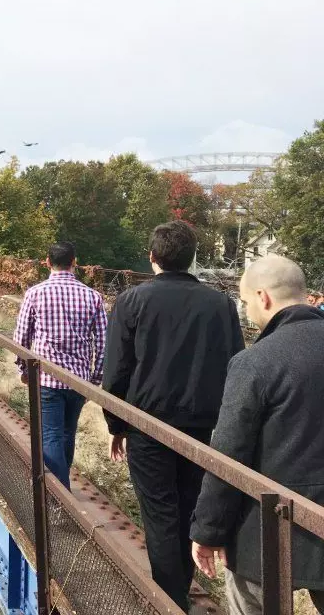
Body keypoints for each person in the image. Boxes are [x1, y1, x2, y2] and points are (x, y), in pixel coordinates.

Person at [102, 220, 244, 612]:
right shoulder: (221, 305)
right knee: (188, 505)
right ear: (192, 258)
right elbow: (235, 366)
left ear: (152, 257)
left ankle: (170, 598)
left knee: (160, 511)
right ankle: (179, 585)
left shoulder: (132, 302)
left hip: (148, 425)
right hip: (201, 425)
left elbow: (116, 370)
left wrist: (117, 424)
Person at [191, 255, 324, 614]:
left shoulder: (256, 361)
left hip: (264, 531)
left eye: (246, 301)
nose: (247, 309)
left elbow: (229, 453)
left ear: (263, 297)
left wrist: (208, 531)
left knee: (250, 600)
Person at [13, 241, 107, 489]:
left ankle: (59, 495)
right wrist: (95, 379)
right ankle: (62, 487)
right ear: (75, 262)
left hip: (46, 378)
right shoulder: (93, 297)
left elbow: (21, 338)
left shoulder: (35, 293)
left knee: (51, 435)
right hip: (78, 380)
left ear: (47, 262)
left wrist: (23, 370)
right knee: (67, 434)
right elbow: (104, 341)